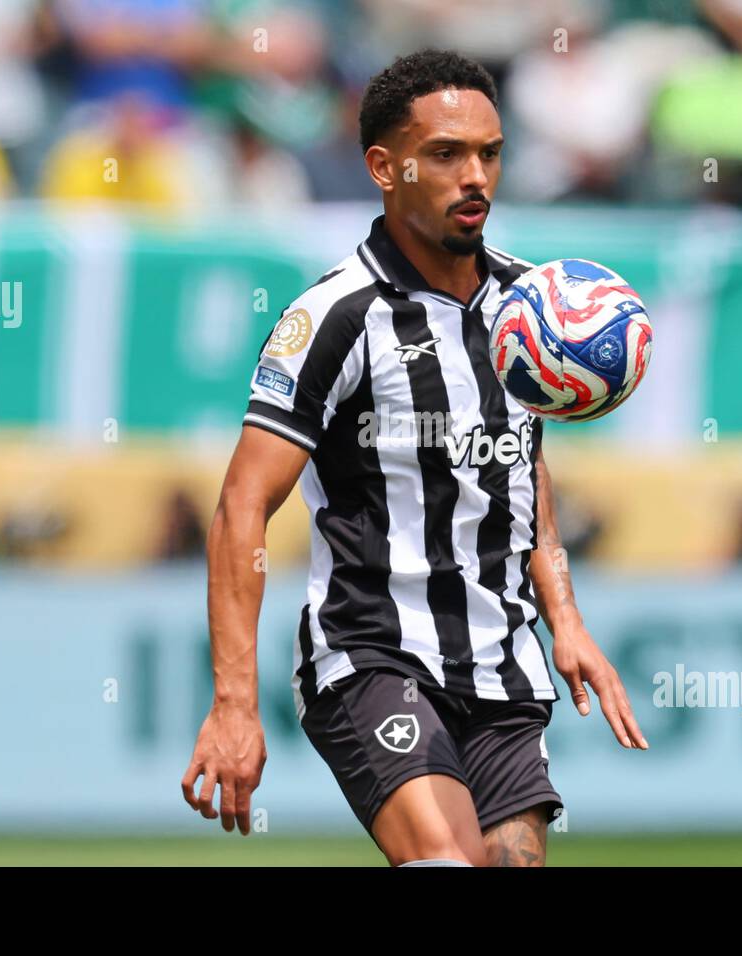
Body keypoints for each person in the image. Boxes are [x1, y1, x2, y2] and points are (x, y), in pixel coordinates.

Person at [180, 48, 648, 868]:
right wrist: (233, 702)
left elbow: (522, 467)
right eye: (445, 154)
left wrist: (565, 616)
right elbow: (242, 506)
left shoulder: (530, 310)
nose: (475, 177)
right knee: (446, 859)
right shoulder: (334, 318)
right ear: (383, 167)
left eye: (490, 153)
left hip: (503, 662)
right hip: (371, 654)